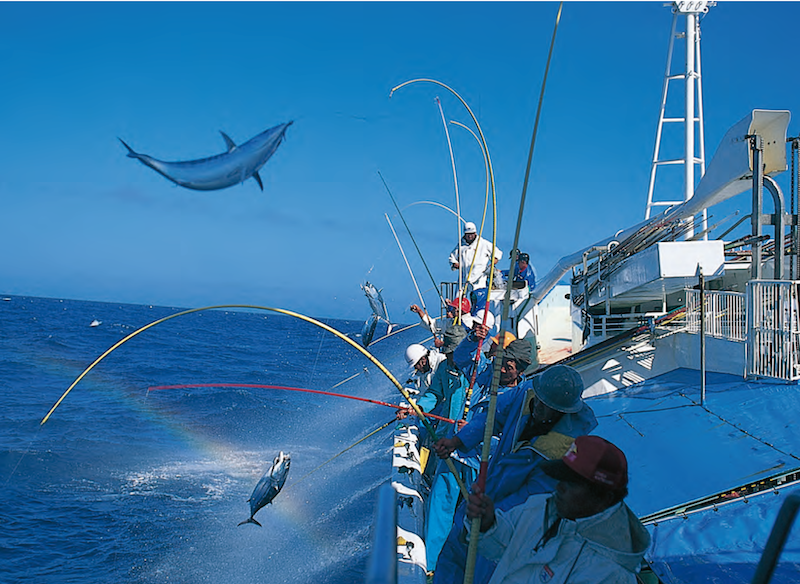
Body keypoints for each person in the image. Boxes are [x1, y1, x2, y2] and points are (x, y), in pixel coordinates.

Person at [431, 364, 597, 584]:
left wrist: (491, 517)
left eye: (547, 406)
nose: (538, 407)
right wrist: (458, 441)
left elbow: (533, 496)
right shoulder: (527, 392)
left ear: (563, 412)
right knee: (454, 551)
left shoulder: (565, 451)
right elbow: (493, 416)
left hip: (508, 523)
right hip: (486, 496)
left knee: (485, 570)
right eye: (538, 399)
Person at [465, 435, 651, 584]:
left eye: (572, 483)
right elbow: (506, 546)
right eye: (561, 478)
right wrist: (488, 524)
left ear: (604, 497)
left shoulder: (611, 572)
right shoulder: (541, 506)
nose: (559, 487)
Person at [449, 222, 503, 291]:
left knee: (477, 299)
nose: (470, 236)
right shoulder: (461, 245)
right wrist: (454, 264)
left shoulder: (483, 243)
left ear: (475, 233)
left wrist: (493, 261)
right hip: (463, 281)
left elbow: (497, 253)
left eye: (471, 233)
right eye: (468, 234)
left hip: (479, 281)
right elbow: (452, 257)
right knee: (459, 300)